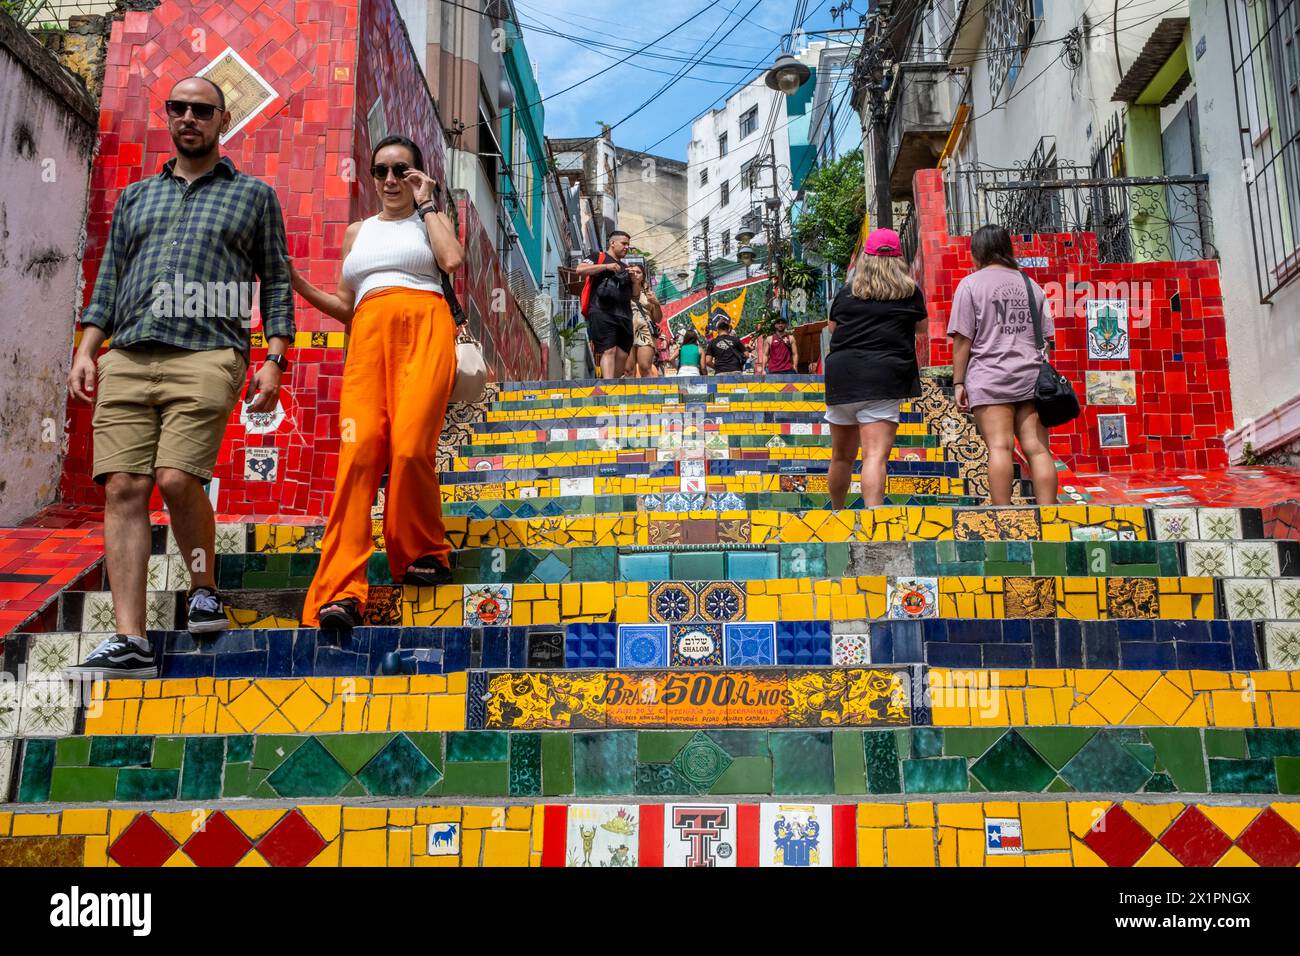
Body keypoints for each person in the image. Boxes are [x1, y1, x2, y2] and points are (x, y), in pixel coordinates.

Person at [65, 76, 294, 679]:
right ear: (168, 117)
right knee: (122, 489)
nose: (188, 117)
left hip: (208, 353)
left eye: (201, 109)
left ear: (223, 120)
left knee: (174, 476)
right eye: (179, 108)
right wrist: (89, 347)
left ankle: (203, 585)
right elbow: (110, 278)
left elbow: (275, 279)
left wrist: (274, 356)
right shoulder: (137, 197)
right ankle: (130, 638)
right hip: (129, 353)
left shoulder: (253, 196)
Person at [289, 135, 465, 629]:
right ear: (371, 176)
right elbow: (346, 305)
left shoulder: (431, 221)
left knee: (410, 449)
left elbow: (451, 261)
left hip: (426, 331)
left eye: (402, 170)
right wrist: (299, 284)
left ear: (418, 176)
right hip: (368, 341)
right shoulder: (357, 232)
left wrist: (429, 203)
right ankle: (341, 591)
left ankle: (422, 552)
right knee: (360, 453)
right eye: (381, 170)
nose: (390, 180)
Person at [948, 224, 1057, 506]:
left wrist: (958, 381)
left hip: (990, 377)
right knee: (1037, 448)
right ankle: (1048, 516)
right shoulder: (1030, 285)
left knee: (999, 447)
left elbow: (962, 340)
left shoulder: (970, 285)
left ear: (977, 253)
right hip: (1031, 378)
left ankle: (1004, 517)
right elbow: (1047, 338)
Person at [823, 228, 927, 509]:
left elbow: (833, 330)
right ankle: (872, 520)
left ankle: (837, 513)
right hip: (883, 379)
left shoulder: (846, 294)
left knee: (841, 456)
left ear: (866, 259)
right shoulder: (909, 293)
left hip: (843, 378)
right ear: (898, 260)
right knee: (874, 457)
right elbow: (922, 328)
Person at [575, 231, 633, 379]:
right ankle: (608, 387)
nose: (627, 247)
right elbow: (580, 270)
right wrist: (606, 267)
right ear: (612, 243)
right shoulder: (597, 256)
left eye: (628, 244)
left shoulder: (626, 267)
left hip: (624, 315)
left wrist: (636, 278)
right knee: (609, 350)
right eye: (624, 243)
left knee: (622, 353)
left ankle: (610, 383)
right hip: (602, 310)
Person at [624, 262, 662, 378]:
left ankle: (650, 395)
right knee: (628, 370)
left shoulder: (649, 294)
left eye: (638, 272)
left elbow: (657, 319)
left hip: (644, 331)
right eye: (633, 272)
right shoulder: (623, 291)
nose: (635, 274)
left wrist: (656, 304)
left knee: (645, 367)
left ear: (643, 276)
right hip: (626, 330)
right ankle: (630, 395)